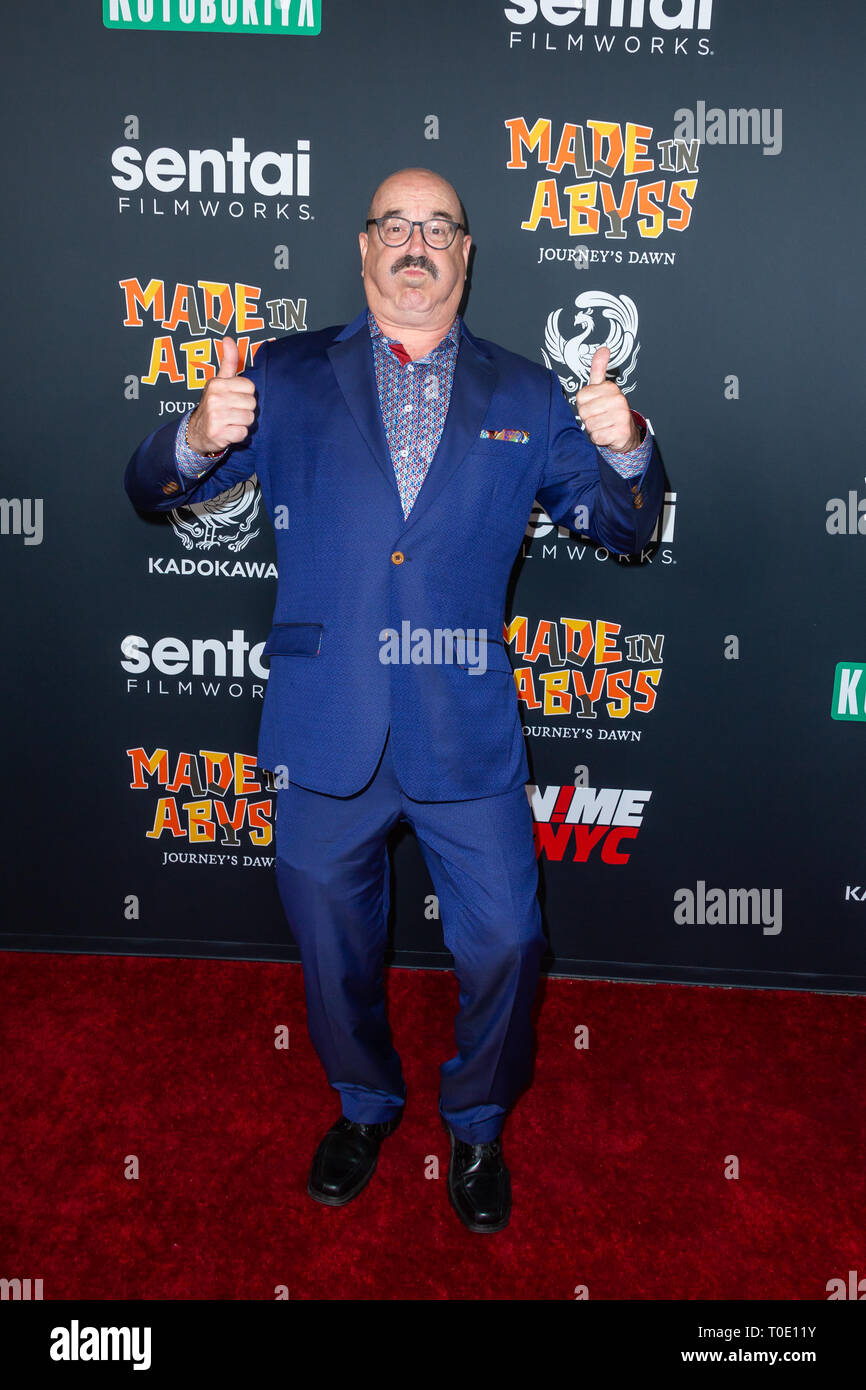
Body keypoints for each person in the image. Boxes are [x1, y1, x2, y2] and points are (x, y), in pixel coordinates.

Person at [125, 167, 664, 1234]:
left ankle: (474, 1120)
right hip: (327, 723)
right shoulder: (278, 374)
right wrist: (194, 433)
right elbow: (152, 490)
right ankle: (364, 1104)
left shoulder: (523, 394)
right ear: (364, 247)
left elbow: (624, 527)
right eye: (394, 225)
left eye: (438, 228)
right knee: (332, 946)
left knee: (509, 939)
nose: (415, 243)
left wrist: (625, 446)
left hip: (463, 728)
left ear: (466, 252)